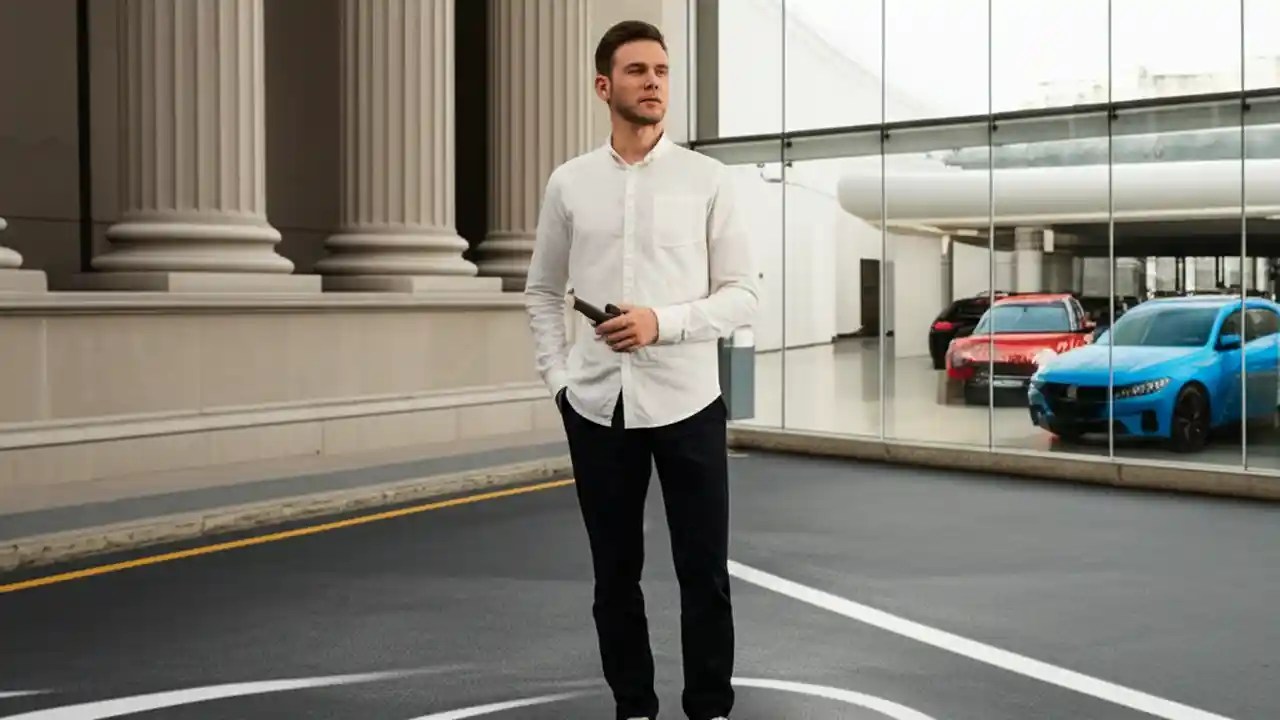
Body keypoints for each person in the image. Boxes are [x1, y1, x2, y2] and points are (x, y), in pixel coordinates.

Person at [523, 19, 758, 720]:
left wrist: (664, 322)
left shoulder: (708, 179)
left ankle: (710, 707)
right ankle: (634, 707)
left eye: (661, 70)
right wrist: (559, 384)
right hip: (597, 409)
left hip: (688, 402)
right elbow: (540, 292)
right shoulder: (569, 184)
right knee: (614, 576)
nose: (654, 82)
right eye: (637, 71)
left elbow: (744, 294)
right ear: (604, 86)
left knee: (703, 575)